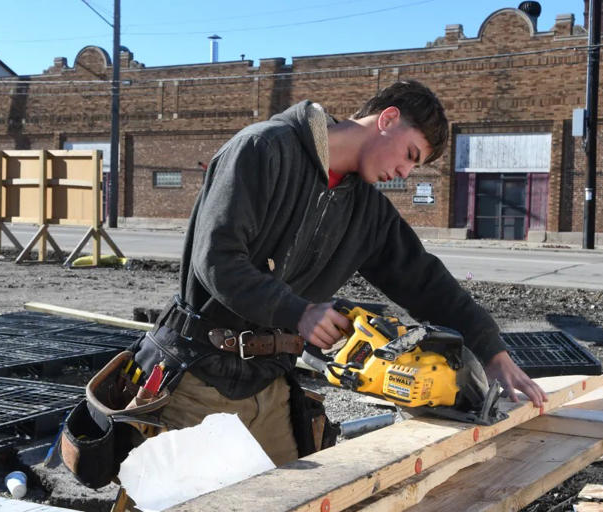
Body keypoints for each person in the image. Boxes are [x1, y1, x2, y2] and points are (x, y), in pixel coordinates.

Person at [134, 80, 547, 466]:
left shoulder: (367, 211)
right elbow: (217, 260)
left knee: (294, 501)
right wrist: (298, 312)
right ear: (388, 119)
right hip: (198, 375)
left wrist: (492, 352)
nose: (405, 172)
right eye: (410, 154)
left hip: (271, 384)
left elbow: (426, 282)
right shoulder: (264, 149)